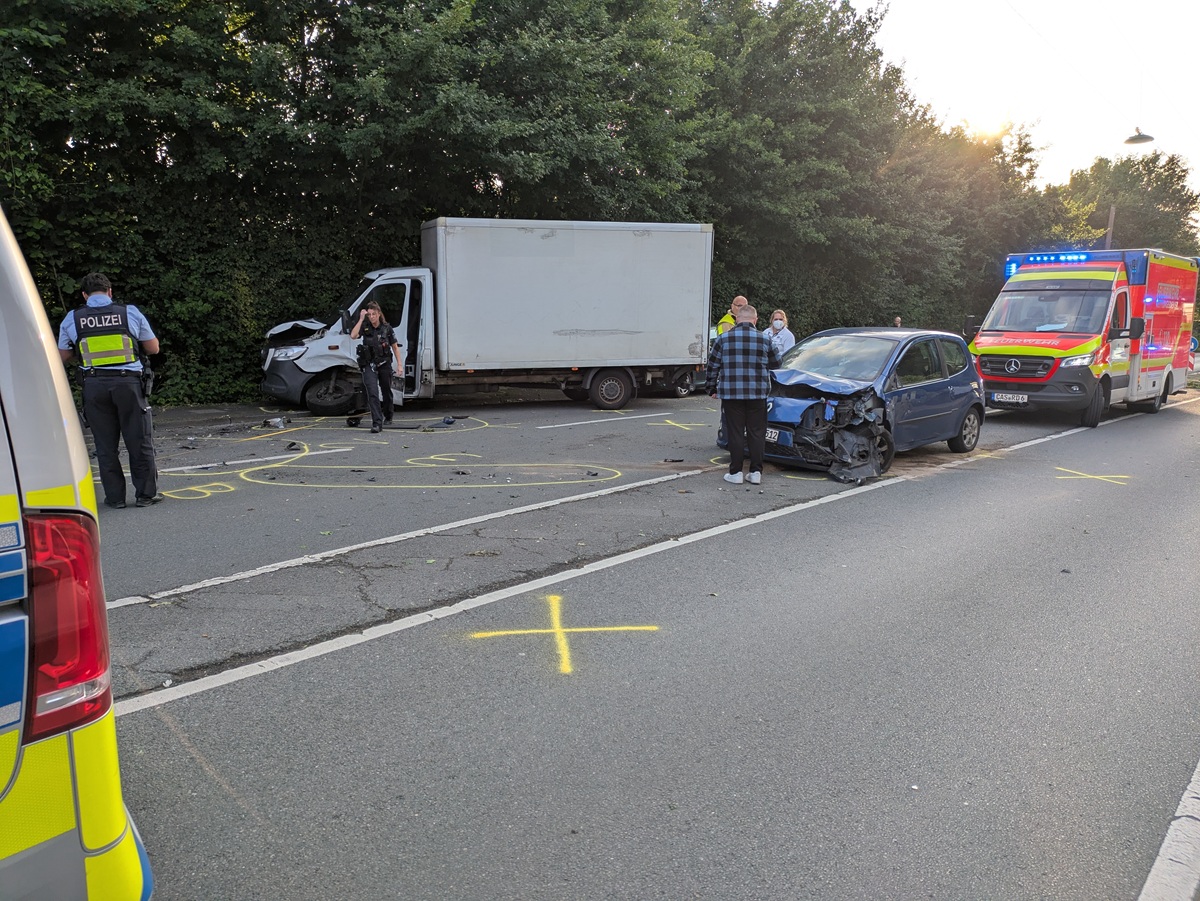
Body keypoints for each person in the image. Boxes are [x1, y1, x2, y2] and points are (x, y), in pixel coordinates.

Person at [57, 272, 163, 508]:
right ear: (110, 291)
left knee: (105, 446)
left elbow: (62, 356)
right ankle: (146, 495)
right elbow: (153, 348)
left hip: (94, 386)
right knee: (139, 440)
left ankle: (115, 499)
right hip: (129, 385)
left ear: (85, 295)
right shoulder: (129, 313)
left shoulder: (73, 318)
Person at [705, 304, 781, 485]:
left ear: (737, 319)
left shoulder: (723, 339)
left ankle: (736, 472)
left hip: (732, 394)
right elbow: (777, 363)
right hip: (758, 393)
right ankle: (755, 472)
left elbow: (712, 366)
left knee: (735, 432)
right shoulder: (765, 339)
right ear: (755, 320)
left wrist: (711, 389)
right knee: (757, 432)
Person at [350, 300, 403, 433]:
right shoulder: (365, 327)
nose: (372, 317)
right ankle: (377, 423)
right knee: (373, 393)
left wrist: (400, 365)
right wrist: (361, 319)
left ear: (379, 314)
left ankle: (388, 415)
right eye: (369, 315)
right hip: (369, 364)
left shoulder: (387, 328)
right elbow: (353, 335)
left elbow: (395, 347)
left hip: (384, 363)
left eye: (374, 314)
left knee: (386, 391)